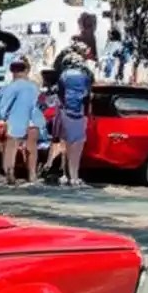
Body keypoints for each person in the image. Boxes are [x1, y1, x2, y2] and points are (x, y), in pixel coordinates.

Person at [0, 58, 41, 186]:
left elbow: (3, 107)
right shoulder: (34, 86)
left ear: (11, 71)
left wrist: (2, 119)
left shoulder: (7, 88)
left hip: (14, 120)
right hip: (32, 120)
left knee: (11, 148)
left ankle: (10, 172)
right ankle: (32, 176)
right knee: (31, 149)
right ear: (27, 70)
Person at [56, 43, 95, 187]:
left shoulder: (63, 75)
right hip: (79, 113)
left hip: (65, 111)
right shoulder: (85, 74)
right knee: (77, 146)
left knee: (65, 144)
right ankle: (74, 176)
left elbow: (60, 93)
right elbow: (88, 94)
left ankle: (65, 174)